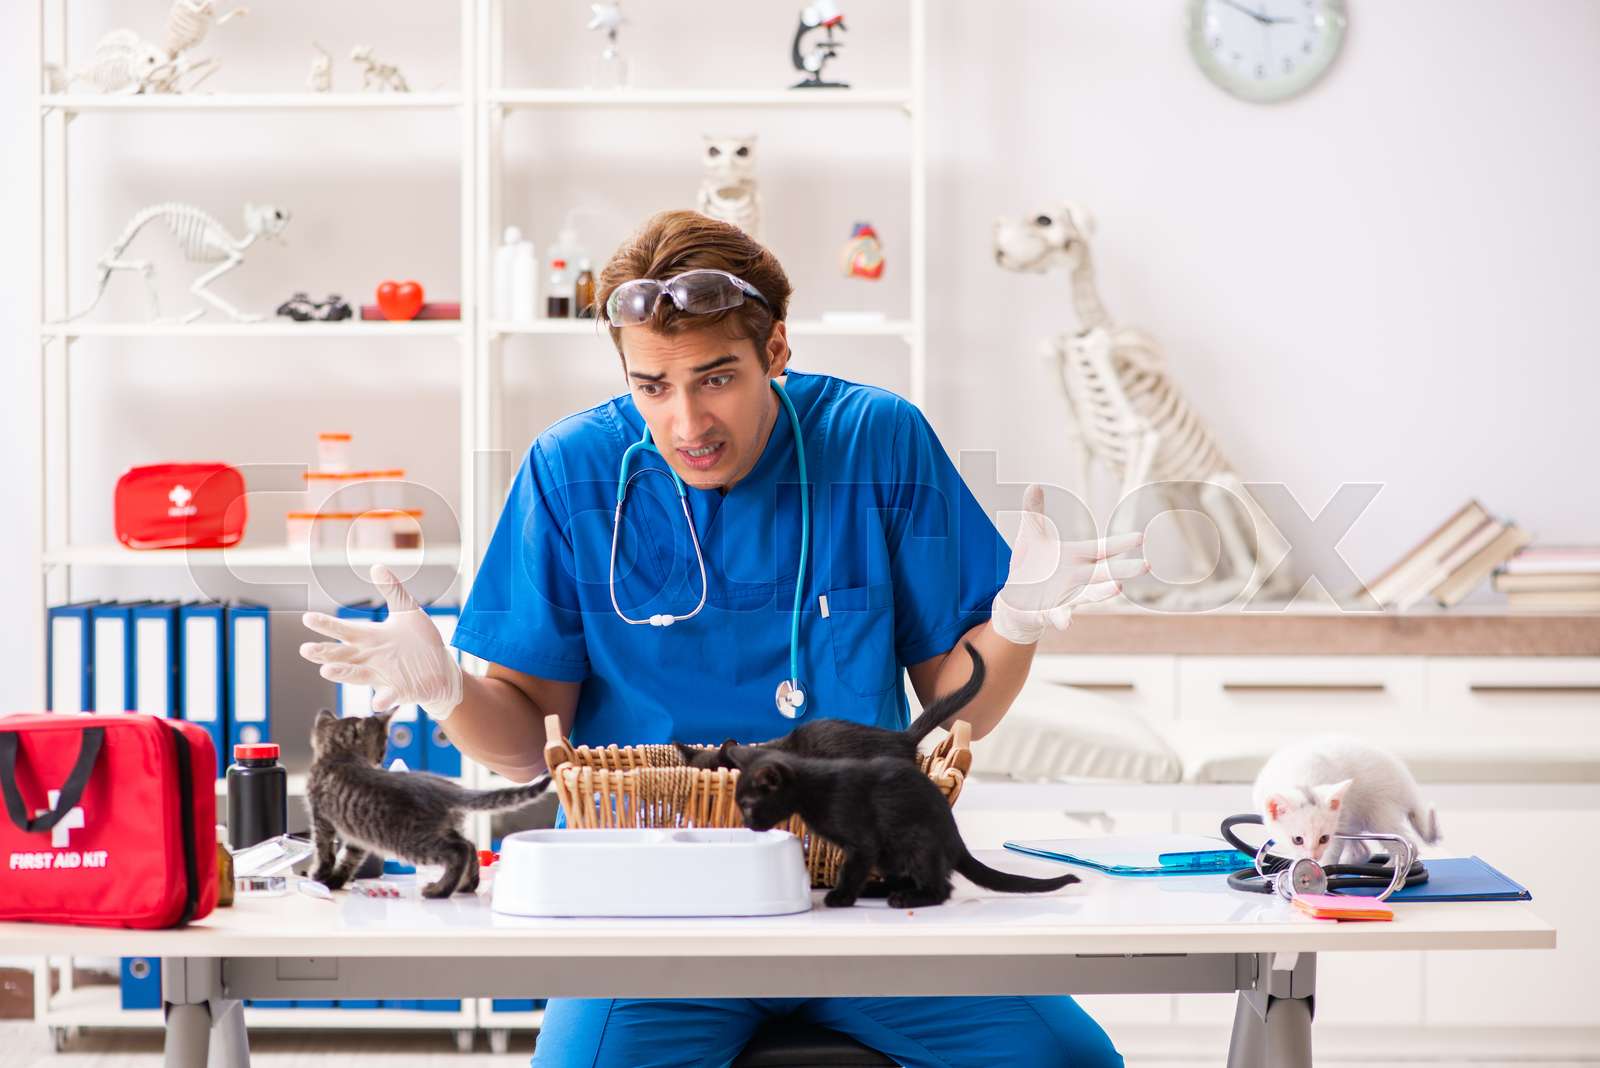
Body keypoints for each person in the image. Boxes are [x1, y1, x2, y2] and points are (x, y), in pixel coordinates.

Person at [299, 210, 1145, 1067]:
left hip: (864, 891)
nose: (685, 423)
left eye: (716, 379)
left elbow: (960, 705)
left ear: (775, 350)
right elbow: (525, 751)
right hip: (649, 905)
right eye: (651, 386)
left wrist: (1017, 621)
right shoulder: (570, 471)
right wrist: (447, 689)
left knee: (1070, 1061)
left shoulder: (876, 439)